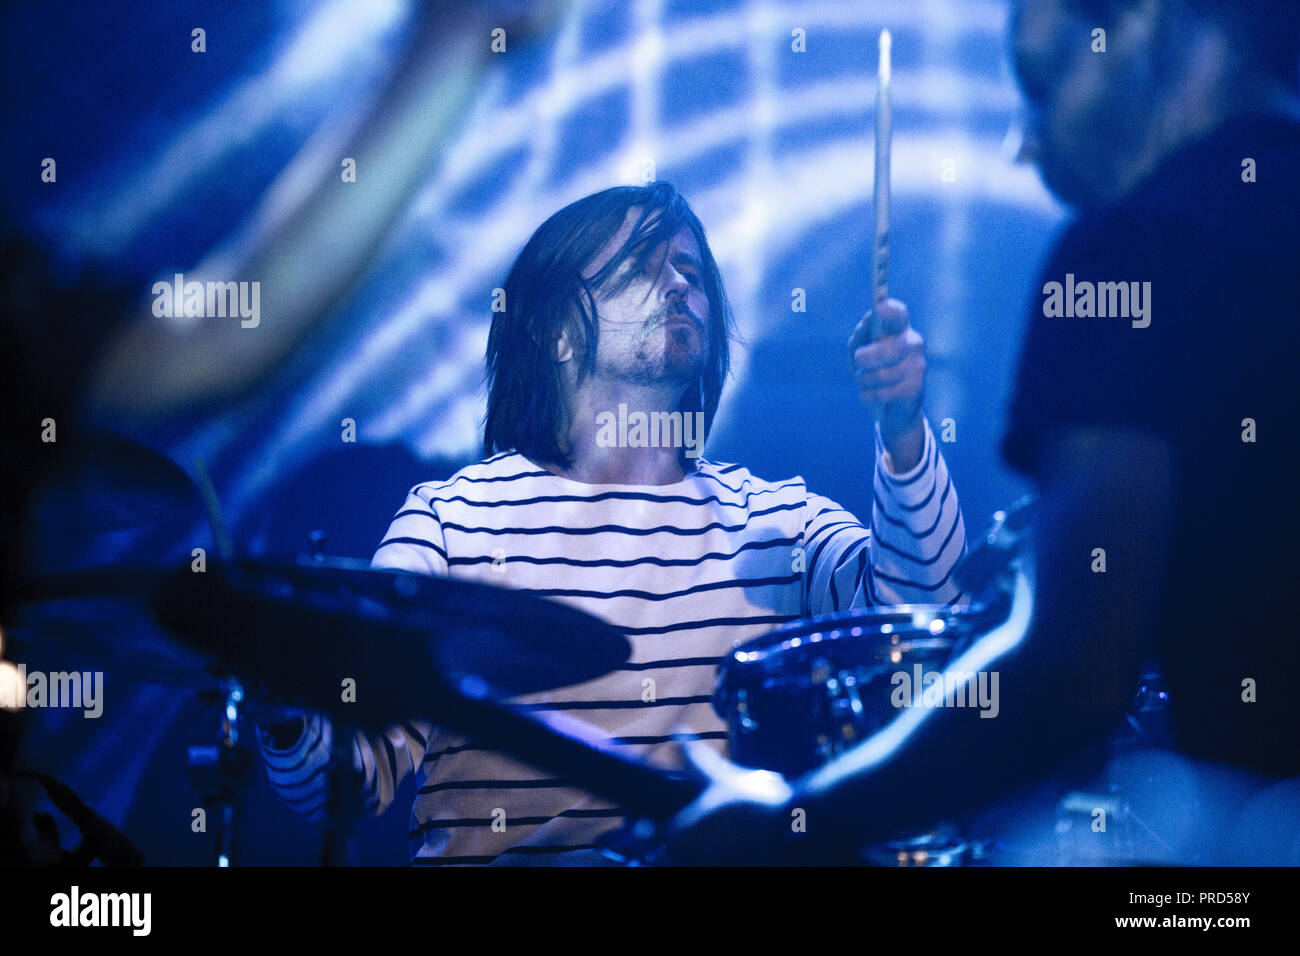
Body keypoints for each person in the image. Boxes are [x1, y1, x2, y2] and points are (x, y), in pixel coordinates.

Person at [668, 0, 1300, 865]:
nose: (1026, 143)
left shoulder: (1142, 248)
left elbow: (1070, 673)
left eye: (1043, 86)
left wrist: (796, 821)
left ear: (1148, 25)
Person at [257, 180, 968, 865]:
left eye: (688, 268)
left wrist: (903, 432)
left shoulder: (776, 522)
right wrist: (281, 702)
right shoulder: (452, 519)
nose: (679, 284)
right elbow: (347, 785)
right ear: (557, 330)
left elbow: (925, 614)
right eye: (640, 267)